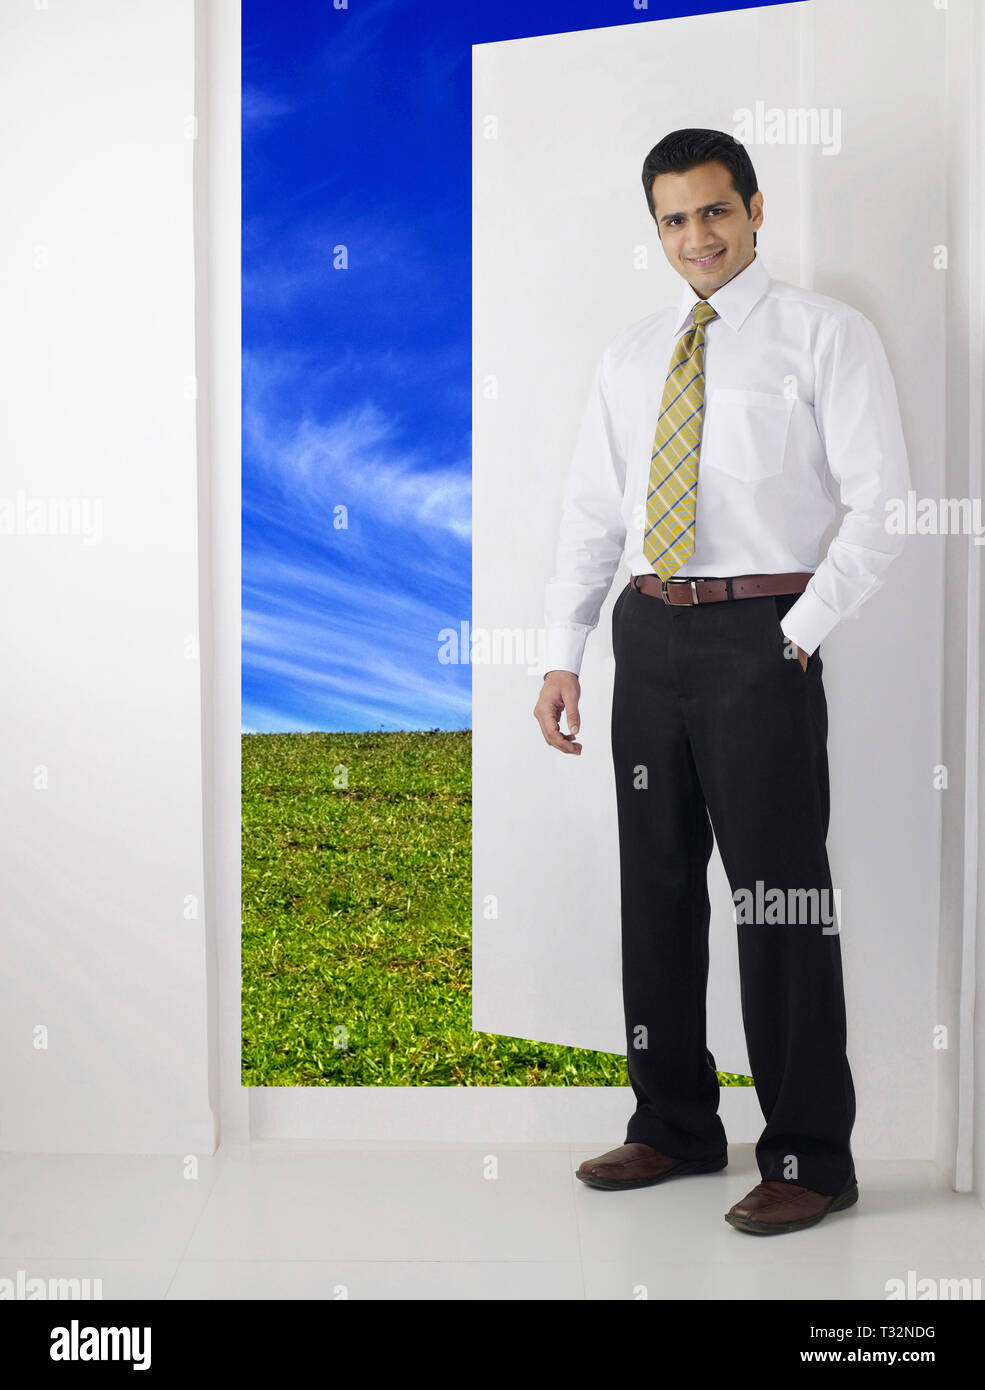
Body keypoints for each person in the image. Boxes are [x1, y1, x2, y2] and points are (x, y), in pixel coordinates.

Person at [532, 128, 909, 1235]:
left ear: (752, 209)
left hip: (762, 638)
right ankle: (674, 1123)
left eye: (712, 212)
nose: (695, 236)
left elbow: (882, 503)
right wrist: (563, 649)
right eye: (672, 219)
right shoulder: (631, 353)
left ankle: (806, 1153)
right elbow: (592, 513)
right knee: (652, 888)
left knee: (778, 897)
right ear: (655, 228)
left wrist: (797, 632)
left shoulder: (822, 337)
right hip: (644, 637)